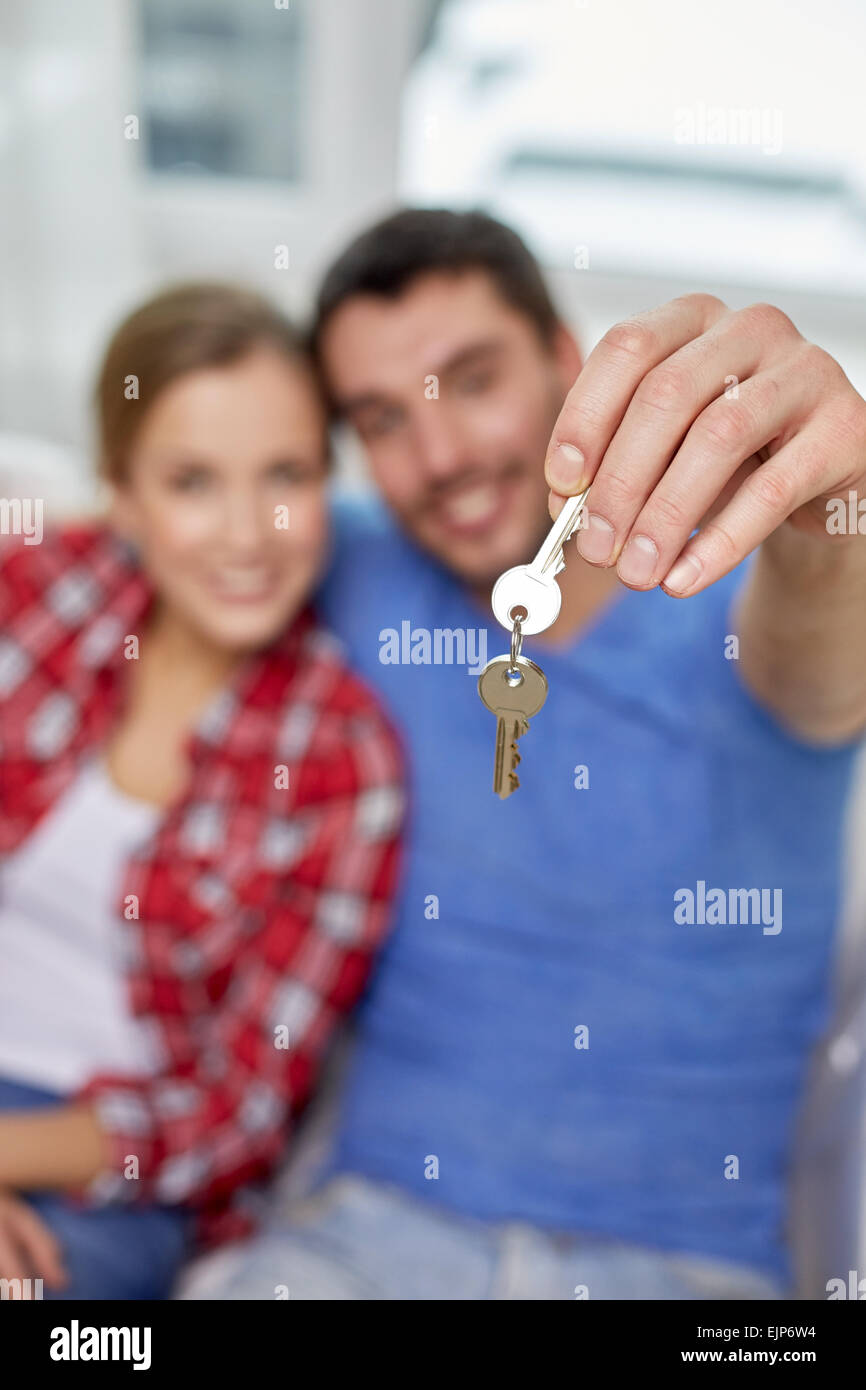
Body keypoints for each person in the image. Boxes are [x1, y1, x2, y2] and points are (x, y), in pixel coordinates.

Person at [182, 209, 866, 1301]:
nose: (441, 456)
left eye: (472, 378)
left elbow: (828, 620)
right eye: (382, 419)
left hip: (680, 1274)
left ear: (564, 356)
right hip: (359, 1246)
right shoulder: (338, 562)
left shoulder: (748, 595)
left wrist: (834, 506)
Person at [0, 283, 404, 1299]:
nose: (246, 533)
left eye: (284, 475)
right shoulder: (35, 593)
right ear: (122, 494)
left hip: (101, 1178)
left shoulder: (341, 760)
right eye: (191, 482)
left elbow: (235, 1112)